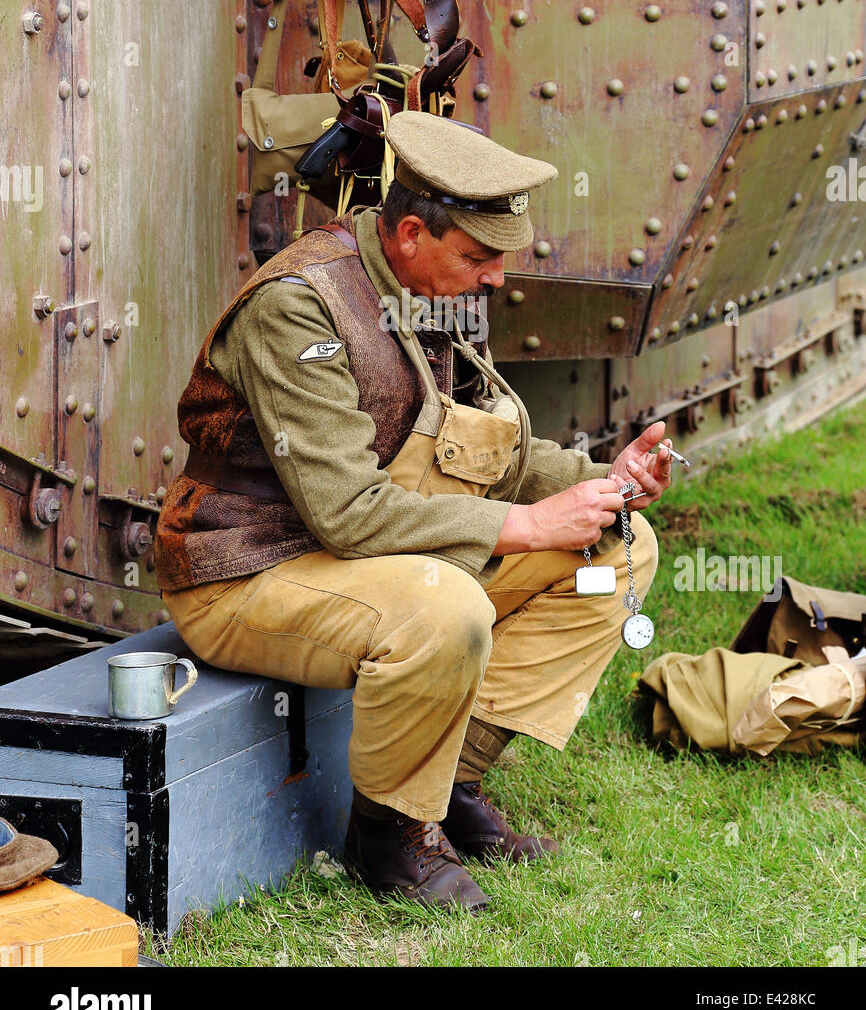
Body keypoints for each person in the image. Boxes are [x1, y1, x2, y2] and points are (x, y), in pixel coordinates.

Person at [154, 111, 671, 913]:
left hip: (368, 562)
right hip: (250, 573)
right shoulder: (298, 308)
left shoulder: (429, 289)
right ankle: (390, 838)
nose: (495, 278)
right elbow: (350, 514)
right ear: (405, 234)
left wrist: (604, 480)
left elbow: (480, 446)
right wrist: (529, 526)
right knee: (445, 609)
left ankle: (450, 784)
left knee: (620, 544)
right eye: (479, 258)